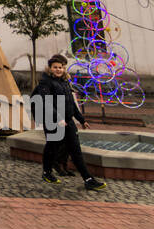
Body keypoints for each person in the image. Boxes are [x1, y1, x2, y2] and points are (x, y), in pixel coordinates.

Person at [31, 55, 105, 190]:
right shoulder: (45, 82)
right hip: (53, 121)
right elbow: (46, 102)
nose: (58, 70)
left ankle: (88, 179)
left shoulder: (65, 81)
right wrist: (58, 118)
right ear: (50, 68)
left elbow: (71, 103)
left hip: (68, 121)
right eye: (55, 67)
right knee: (52, 147)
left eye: (61, 67)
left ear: (64, 68)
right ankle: (47, 172)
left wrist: (81, 119)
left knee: (76, 150)